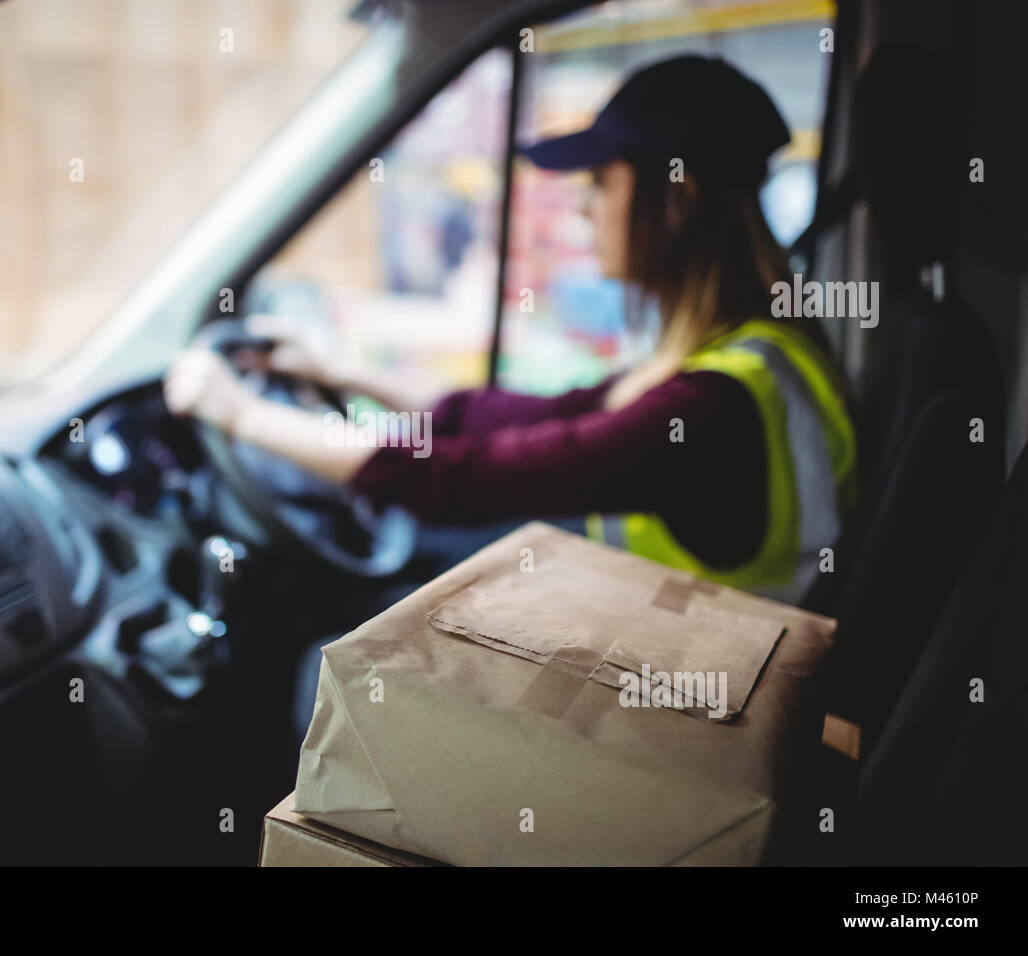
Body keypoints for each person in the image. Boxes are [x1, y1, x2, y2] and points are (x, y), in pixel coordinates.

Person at [166, 55, 856, 605]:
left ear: (676, 199)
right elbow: (526, 417)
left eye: (600, 183)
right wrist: (343, 372)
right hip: (690, 644)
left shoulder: (708, 407)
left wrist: (241, 412)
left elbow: (461, 480)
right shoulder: (745, 350)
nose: (585, 210)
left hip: (711, 705)